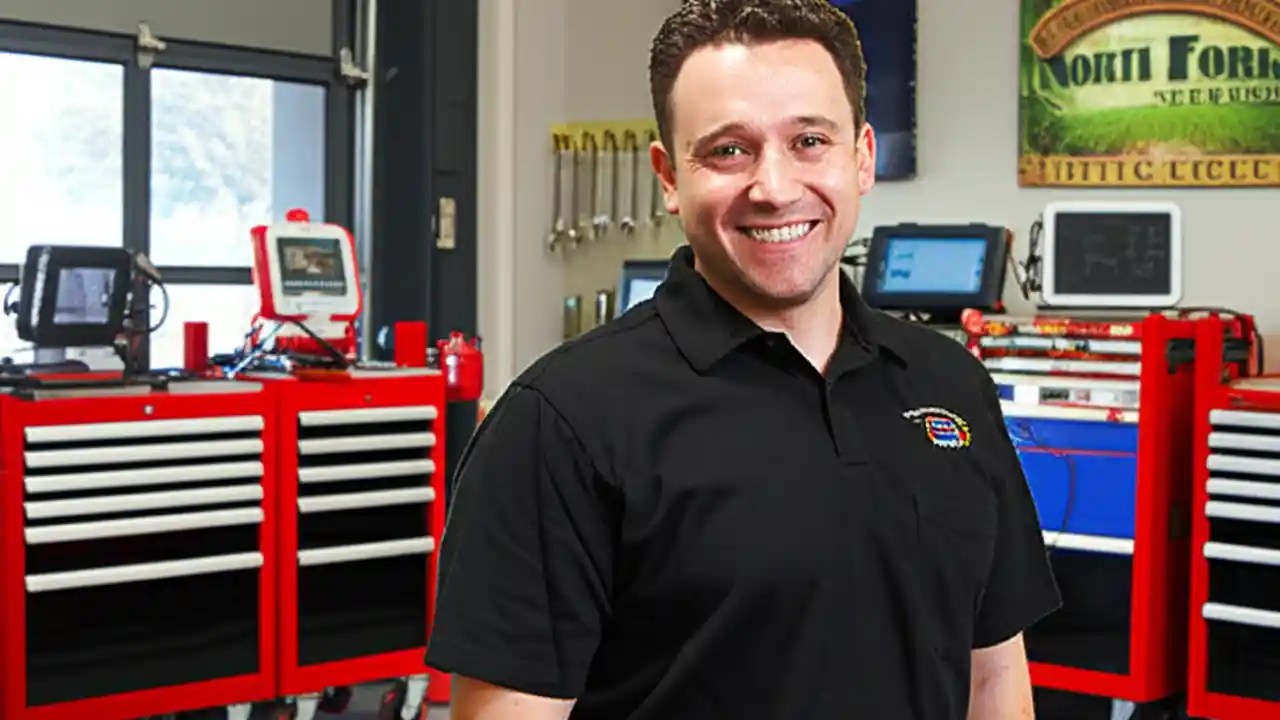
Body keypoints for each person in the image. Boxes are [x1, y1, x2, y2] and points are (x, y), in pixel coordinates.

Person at [425, 1, 1061, 717]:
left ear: (863, 158)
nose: (776, 187)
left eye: (810, 140)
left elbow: (993, 676)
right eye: (729, 149)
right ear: (668, 176)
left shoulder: (952, 386)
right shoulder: (562, 423)